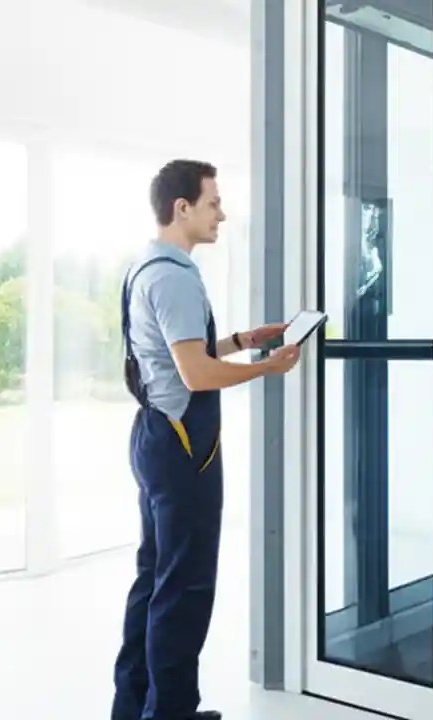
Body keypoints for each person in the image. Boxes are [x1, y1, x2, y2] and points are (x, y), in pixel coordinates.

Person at [111, 159, 300, 720]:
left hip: (154, 436)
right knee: (185, 587)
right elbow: (195, 376)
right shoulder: (173, 276)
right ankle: (169, 713)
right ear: (182, 208)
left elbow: (178, 359)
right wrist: (268, 368)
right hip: (182, 447)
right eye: (214, 203)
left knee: (154, 578)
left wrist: (243, 339)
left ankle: (136, 708)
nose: (223, 213)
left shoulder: (146, 266)